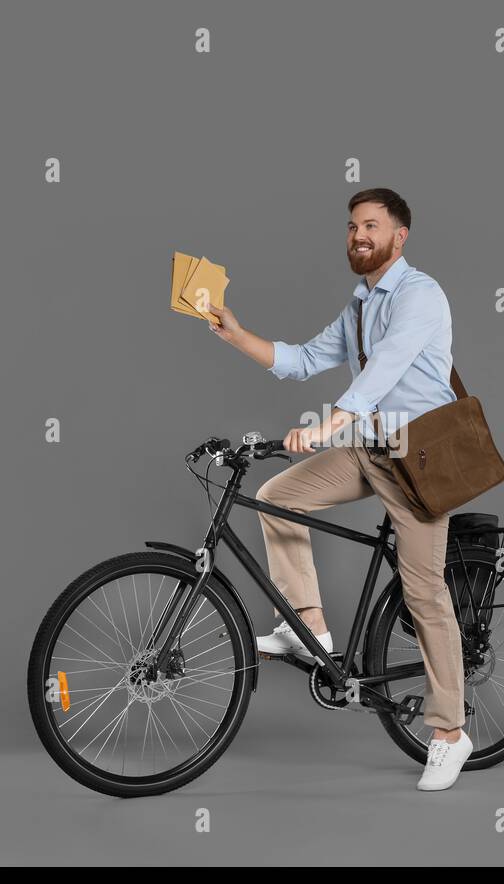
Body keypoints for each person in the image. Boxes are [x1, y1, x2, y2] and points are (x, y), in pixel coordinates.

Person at [205, 187, 472, 792]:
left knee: (424, 592)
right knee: (278, 496)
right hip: (370, 448)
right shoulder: (358, 307)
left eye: (371, 226)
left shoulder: (420, 295)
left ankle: (451, 733)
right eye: (352, 225)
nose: (358, 235)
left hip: (419, 459)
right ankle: (310, 626)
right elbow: (300, 359)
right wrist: (237, 334)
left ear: (398, 237)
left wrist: (331, 422)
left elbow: (387, 368)